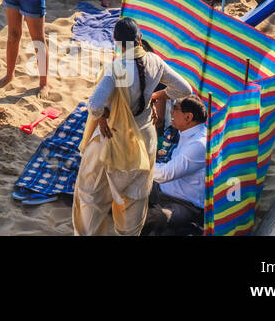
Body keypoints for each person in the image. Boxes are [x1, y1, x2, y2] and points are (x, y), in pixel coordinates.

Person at [72, 17, 193, 236]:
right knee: (134, 201)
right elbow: (185, 89)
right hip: (143, 140)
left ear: (116, 41)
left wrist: (101, 118)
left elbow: (94, 105)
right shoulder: (156, 62)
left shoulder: (116, 68)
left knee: (91, 194)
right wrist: (156, 95)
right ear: (140, 39)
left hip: (112, 139)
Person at [142, 95, 209, 235]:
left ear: (188, 117)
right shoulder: (185, 132)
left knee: (153, 218)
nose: (171, 112)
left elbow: (166, 174)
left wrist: (141, 163)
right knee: (122, 189)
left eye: (175, 109)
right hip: (161, 189)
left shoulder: (199, 144)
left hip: (184, 204)